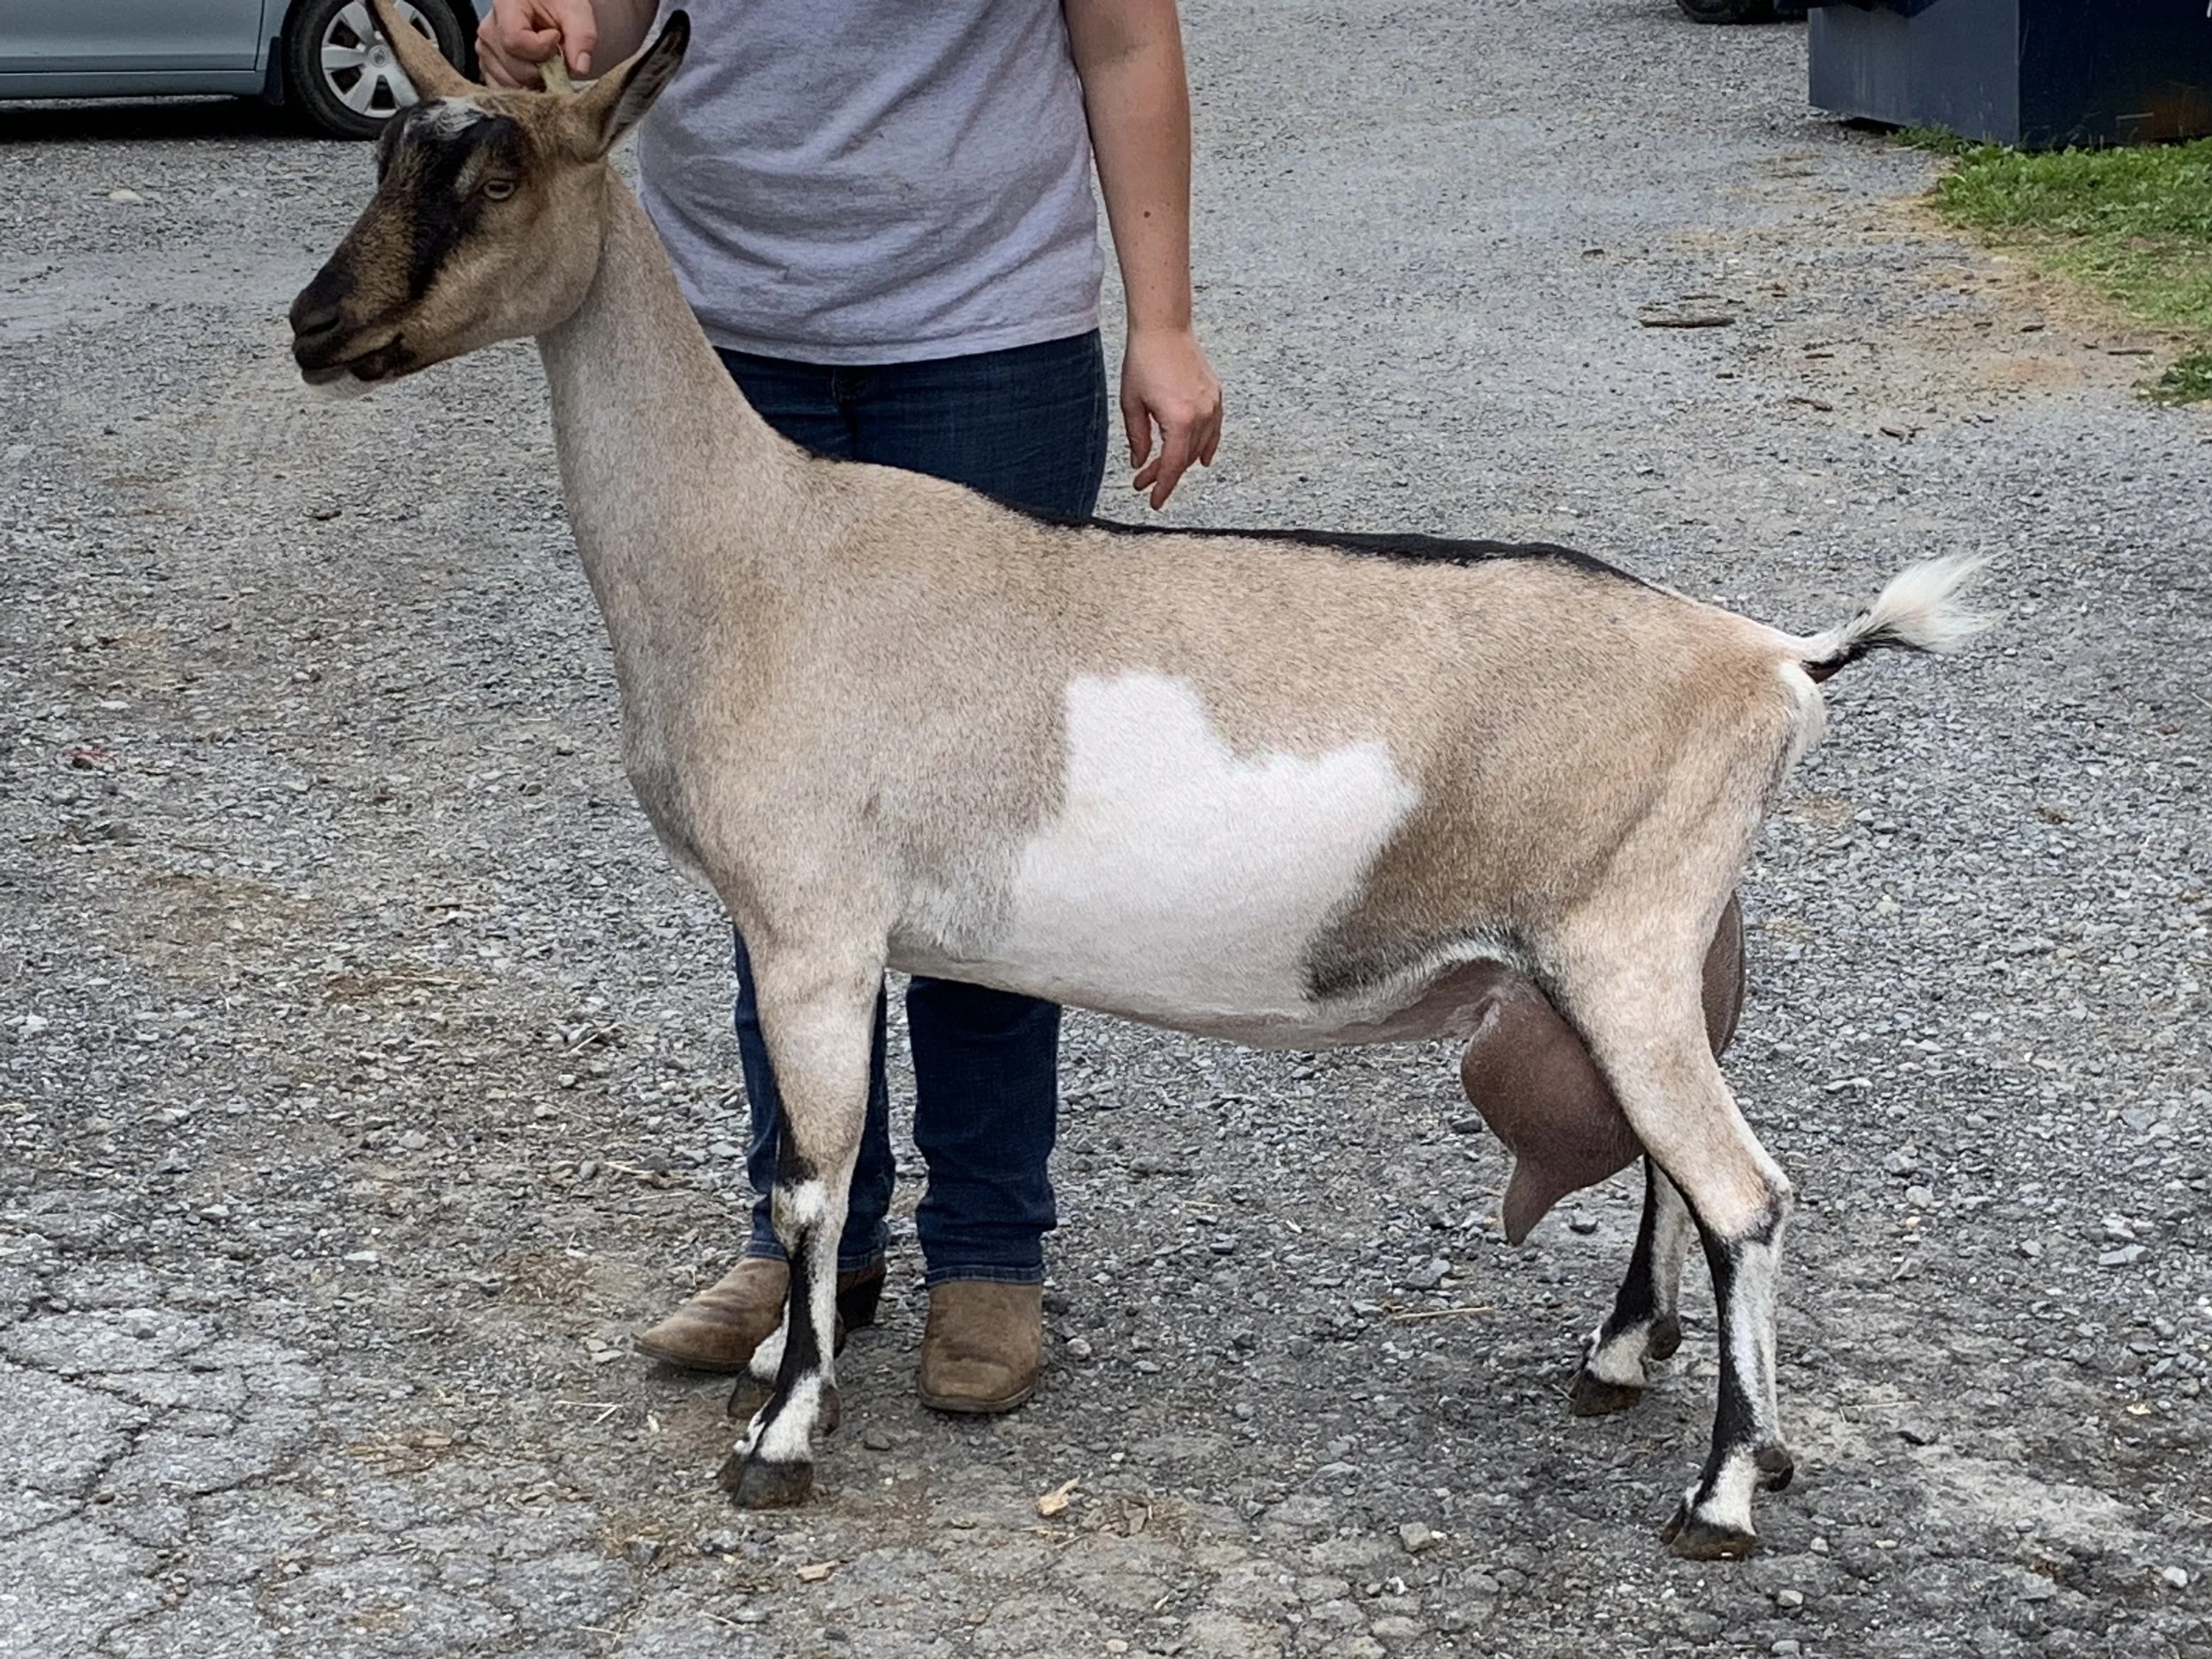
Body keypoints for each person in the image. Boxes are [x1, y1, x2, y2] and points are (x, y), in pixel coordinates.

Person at [479, 0, 1225, 1413]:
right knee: (775, 830)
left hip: (980, 335)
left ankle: (989, 1248)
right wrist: (561, 15)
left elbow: (1124, 38)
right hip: (720, 335)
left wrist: (1165, 319)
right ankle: (812, 1229)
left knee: (987, 816)